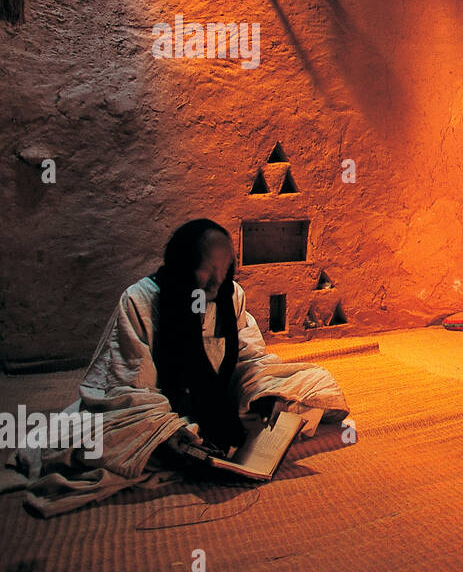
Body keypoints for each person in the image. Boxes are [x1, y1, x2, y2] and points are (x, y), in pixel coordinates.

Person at [8, 218, 349, 517]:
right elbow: (128, 386)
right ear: (183, 265)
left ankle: (202, 444)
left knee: (311, 384)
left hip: (214, 408)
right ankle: (177, 445)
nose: (216, 284)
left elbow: (248, 359)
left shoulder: (231, 295)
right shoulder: (140, 301)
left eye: (224, 271)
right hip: (150, 410)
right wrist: (167, 432)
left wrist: (263, 395)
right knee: (90, 442)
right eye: (206, 272)